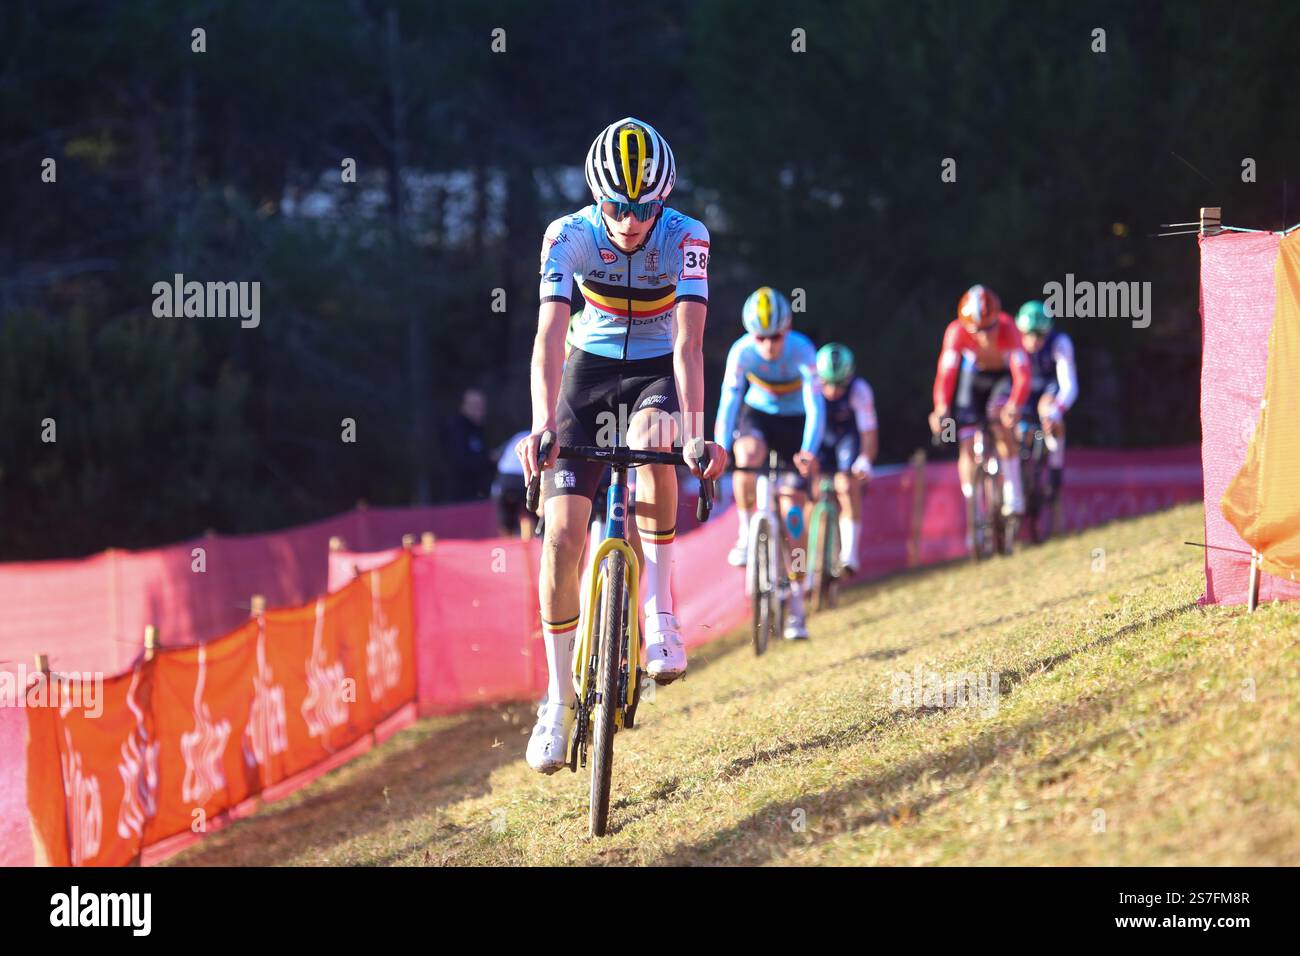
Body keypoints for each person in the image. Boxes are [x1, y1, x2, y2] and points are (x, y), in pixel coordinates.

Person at [516, 117, 727, 774]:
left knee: (656, 441)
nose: (631, 221)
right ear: (594, 196)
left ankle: (662, 613)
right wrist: (541, 423)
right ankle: (557, 697)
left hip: (657, 369)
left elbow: (691, 345)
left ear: (662, 200)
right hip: (587, 370)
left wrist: (696, 429)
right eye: (616, 206)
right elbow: (550, 338)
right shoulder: (567, 235)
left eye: (644, 207)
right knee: (560, 537)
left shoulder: (687, 236)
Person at [714, 286, 825, 640]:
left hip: (795, 425)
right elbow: (729, 401)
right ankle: (747, 532)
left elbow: (816, 406)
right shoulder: (741, 352)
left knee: (794, 518)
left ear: (787, 328)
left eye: (775, 337)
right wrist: (720, 445)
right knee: (745, 455)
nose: (768, 346)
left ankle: (796, 607)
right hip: (759, 417)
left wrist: (809, 450)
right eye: (760, 337)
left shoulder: (803, 350)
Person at [928, 285, 1030, 523]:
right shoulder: (955, 332)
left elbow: (1023, 375)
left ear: (997, 320)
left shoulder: (1009, 328)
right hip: (974, 376)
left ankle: (1014, 495)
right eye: (977, 331)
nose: (984, 336)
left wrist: (1014, 404)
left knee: (1000, 421)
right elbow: (946, 374)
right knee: (965, 439)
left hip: (1003, 377)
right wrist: (941, 408)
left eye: (989, 328)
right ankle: (973, 508)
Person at [814, 343, 878, 576]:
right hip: (818, 438)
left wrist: (865, 460)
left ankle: (849, 555)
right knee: (810, 491)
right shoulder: (809, 386)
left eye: (839, 384)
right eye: (827, 384)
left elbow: (869, 433)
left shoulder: (860, 390)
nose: (832, 390)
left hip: (846, 440)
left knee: (845, 485)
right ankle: (812, 564)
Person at [1014, 300, 1078, 501]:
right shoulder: (1011, 341)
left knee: (1047, 410)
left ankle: (1055, 469)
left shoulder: (1060, 343)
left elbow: (1069, 385)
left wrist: (1055, 411)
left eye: (1040, 335)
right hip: (1022, 389)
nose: (1034, 340)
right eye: (1029, 334)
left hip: (1048, 387)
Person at [441, 387, 494, 501]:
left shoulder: (479, 430)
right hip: (460, 497)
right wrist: (488, 459)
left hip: (478, 496)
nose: (479, 410)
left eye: (481, 406)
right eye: (474, 405)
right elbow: (460, 461)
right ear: (463, 406)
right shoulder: (456, 430)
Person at [491, 429, 536, 539]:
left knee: (507, 526)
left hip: (504, 480)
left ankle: (508, 547)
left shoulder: (518, 436)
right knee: (536, 518)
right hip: (525, 479)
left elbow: (495, 456)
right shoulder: (539, 435)